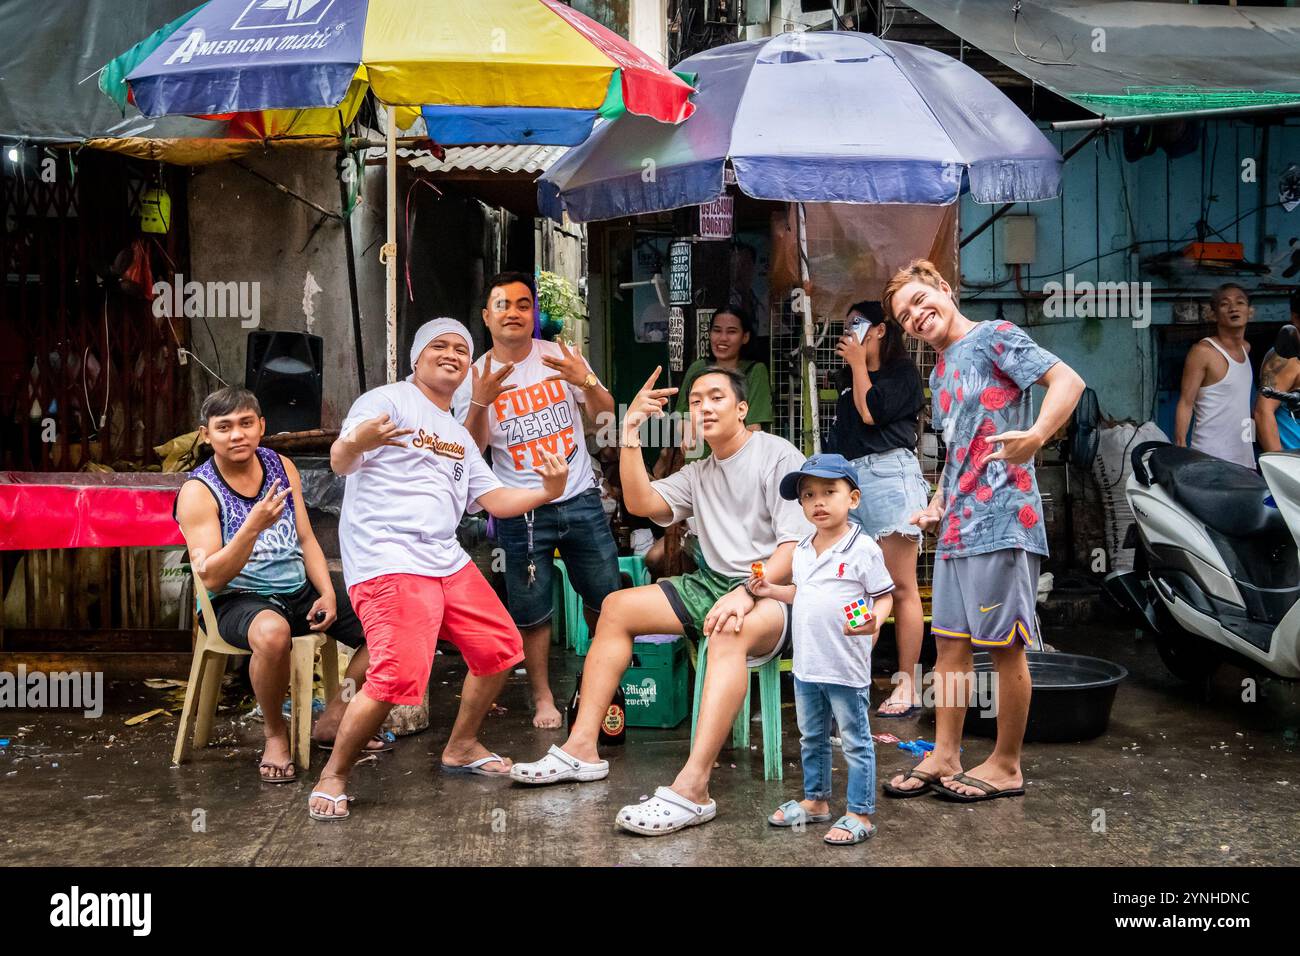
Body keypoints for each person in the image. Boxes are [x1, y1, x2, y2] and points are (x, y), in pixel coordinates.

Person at [510, 366, 812, 837]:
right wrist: (629, 434)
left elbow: (793, 552)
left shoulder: (777, 457)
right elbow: (640, 502)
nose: (705, 407)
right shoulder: (699, 471)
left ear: (741, 408)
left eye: (716, 397)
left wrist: (744, 591)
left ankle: (694, 788)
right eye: (695, 401)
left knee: (727, 629)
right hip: (714, 583)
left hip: (776, 590)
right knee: (616, 608)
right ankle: (582, 748)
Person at [307, 318, 569, 821]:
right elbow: (340, 462)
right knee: (397, 673)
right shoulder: (385, 401)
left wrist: (547, 492)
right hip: (389, 559)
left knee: (500, 649)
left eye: (460, 349)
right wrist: (356, 442)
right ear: (416, 357)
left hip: (443, 558)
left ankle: (462, 745)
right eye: (439, 346)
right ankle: (334, 775)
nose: (450, 354)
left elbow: (492, 497)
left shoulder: (456, 433)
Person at [880, 260, 1084, 803]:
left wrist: (1038, 433)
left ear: (945, 289)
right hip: (957, 528)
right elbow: (956, 448)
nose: (918, 316)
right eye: (906, 316)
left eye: (923, 301)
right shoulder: (940, 371)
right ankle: (945, 754)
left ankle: (1006, 764)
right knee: (948, 648)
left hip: (1003, 520)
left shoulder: (997, 337)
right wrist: (937, 501)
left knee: (1004, 649)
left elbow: (1069, 380)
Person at [174, 387, 384, 785]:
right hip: (236, 599)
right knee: (273, 633)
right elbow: (213, 576)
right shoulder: (198, 492)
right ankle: (275, 736)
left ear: (261, 426)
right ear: (206, 435)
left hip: (295, 590)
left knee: (385, 625)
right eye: (224, 427)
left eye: (246, 424)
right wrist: (250, 528)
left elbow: (306, 538)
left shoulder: (279, 465)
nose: (237, 435)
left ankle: (333, 718)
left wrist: (324, 589)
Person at [463, 272, 622, 729]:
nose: (513, 312)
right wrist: (478, 403)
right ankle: (543, 699)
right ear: (487, 316)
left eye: (522, 304)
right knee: (532, 614)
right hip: (522, 510)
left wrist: (586, 379)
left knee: (607, 599)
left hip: (580, 499)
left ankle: (604, 685)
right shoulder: (474, 376)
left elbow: (605, 418)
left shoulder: (559, 356)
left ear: (532, 312)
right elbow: (471, 453)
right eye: (503, 304)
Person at [751, 454, 894, 846]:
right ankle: (816, 802)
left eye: (829, 492)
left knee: (855, 740)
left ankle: (860, 812)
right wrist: (770, 590)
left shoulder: (862, 548)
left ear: (853, 498)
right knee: (811, 738)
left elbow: (883, 597)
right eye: (809, 494)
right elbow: (803, 592)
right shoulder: (801, 548)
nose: (818, 501)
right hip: (807, 665)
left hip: (846, 667)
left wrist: (875, 621)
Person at [832, 300, 928, 717]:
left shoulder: (902, 374)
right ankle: (855, 678)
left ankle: (907, 685)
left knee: (900, 586)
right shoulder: (844, 377)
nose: (850, 330)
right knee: (855, 584)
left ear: (880, 330)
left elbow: (870, 414)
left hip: (891, 476)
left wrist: (857, 365)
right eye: (846, 324)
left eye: (858, 323)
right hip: (851, 482)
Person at [1174, 283, 1256, 469]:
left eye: (1240, 302)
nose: (1233, 308)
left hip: (1244, 459)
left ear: (1250, 312)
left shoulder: (1246, 348)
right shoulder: (1203, 352)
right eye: (1224, 304)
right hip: (1209, 458)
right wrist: (1180, 447)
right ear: (1212, 314)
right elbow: (1186, 402)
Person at [1254, 288, 1300, 452]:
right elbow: (1262, 413)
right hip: (1293, 465)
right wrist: (1279, 469)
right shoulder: (1285, 358)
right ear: (1296, 318)